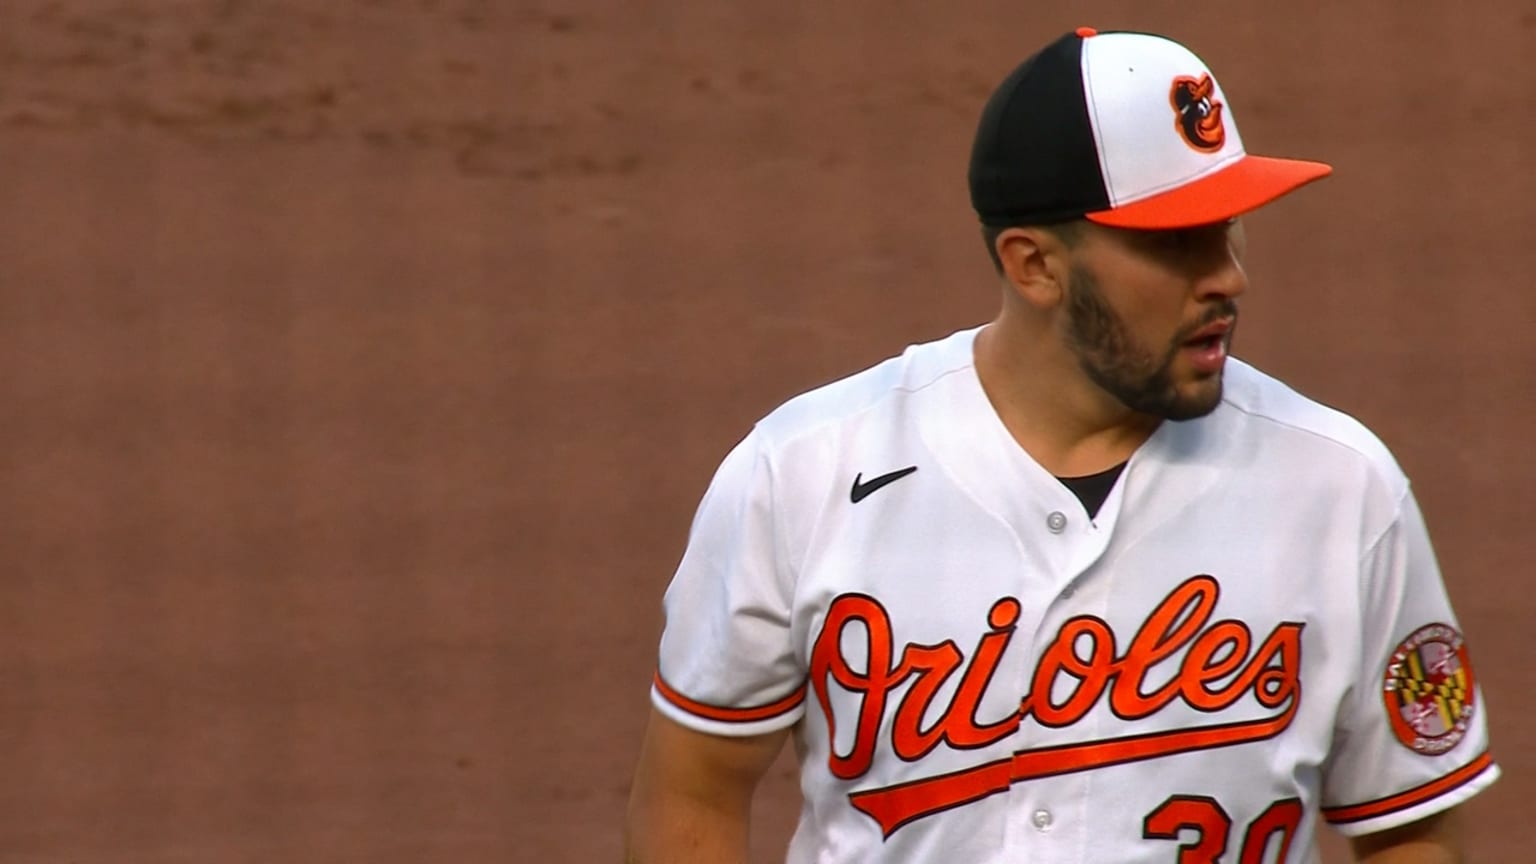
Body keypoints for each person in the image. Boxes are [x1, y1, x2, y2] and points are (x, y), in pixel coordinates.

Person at [625, 27, 1498, 863]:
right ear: (1034, 264)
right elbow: (693, 791)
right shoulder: (804, 472)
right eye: (1177, 242)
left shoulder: (1340, 488)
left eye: (1228, 227)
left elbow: (1410, 828)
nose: (1228, 276)